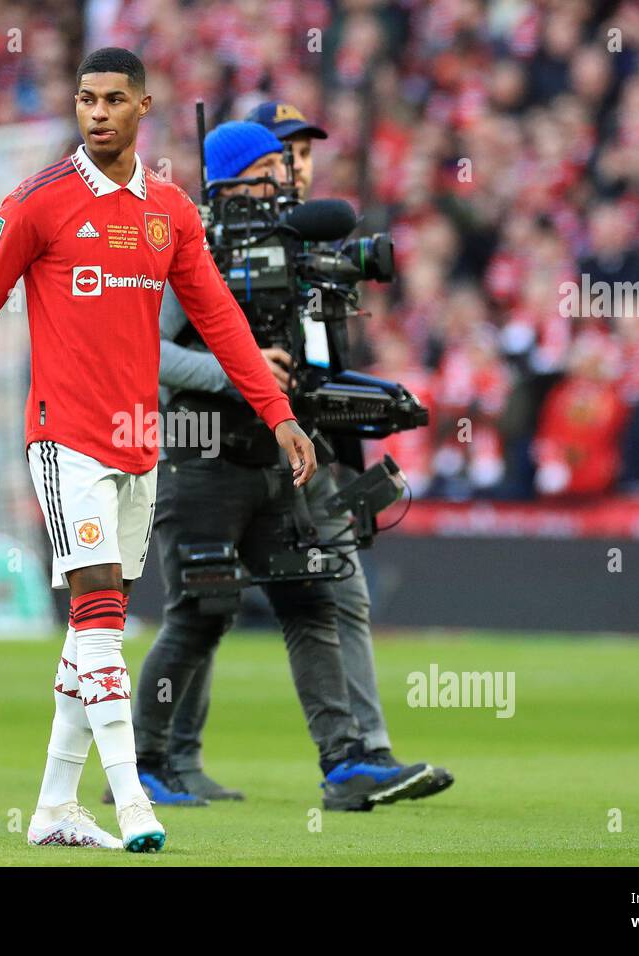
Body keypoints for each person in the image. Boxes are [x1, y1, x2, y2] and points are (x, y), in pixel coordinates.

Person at [0, 49, 317, 852]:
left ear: (143, 108)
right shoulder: (36, 203)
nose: (96, 112)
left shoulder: (170, 212)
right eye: (85, 98)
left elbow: (225, 323)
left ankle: (56, 806)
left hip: (139, 447)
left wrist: (278, 413)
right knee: (97, 607)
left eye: (113, 100)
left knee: (96, 629)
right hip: (64, 440)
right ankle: (133, 802)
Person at [125, 119, 443, 814]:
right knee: (201, 614)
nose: (286, 179)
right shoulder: (191, 241)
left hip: (274, 459)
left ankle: (347, 764)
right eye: (271, 166)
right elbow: (145, 355)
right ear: (236, 176)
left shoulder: (288, 249)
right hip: (201, 458)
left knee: (311, 602)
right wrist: (234, 375)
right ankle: (143, 765)